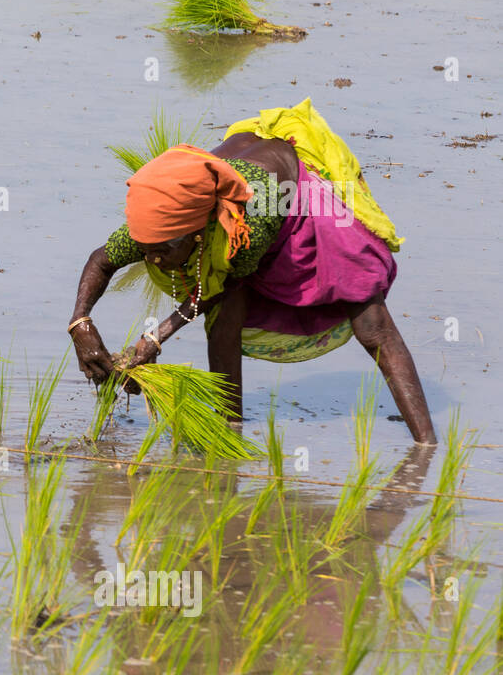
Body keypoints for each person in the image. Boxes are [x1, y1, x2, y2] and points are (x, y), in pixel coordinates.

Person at [68, 99, 435, 444]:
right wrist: (80, 323)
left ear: (199, 231)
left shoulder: (252, 219)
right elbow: (102, 260)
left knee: (369, 319)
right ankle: (230, 427)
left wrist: (155, 338)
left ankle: (426, 445)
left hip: (289, 194)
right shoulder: (162, 219)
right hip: (238, 174)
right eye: (147, 252)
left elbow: (224, 286)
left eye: (164, 251)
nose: (156, 261)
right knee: (225, 321)